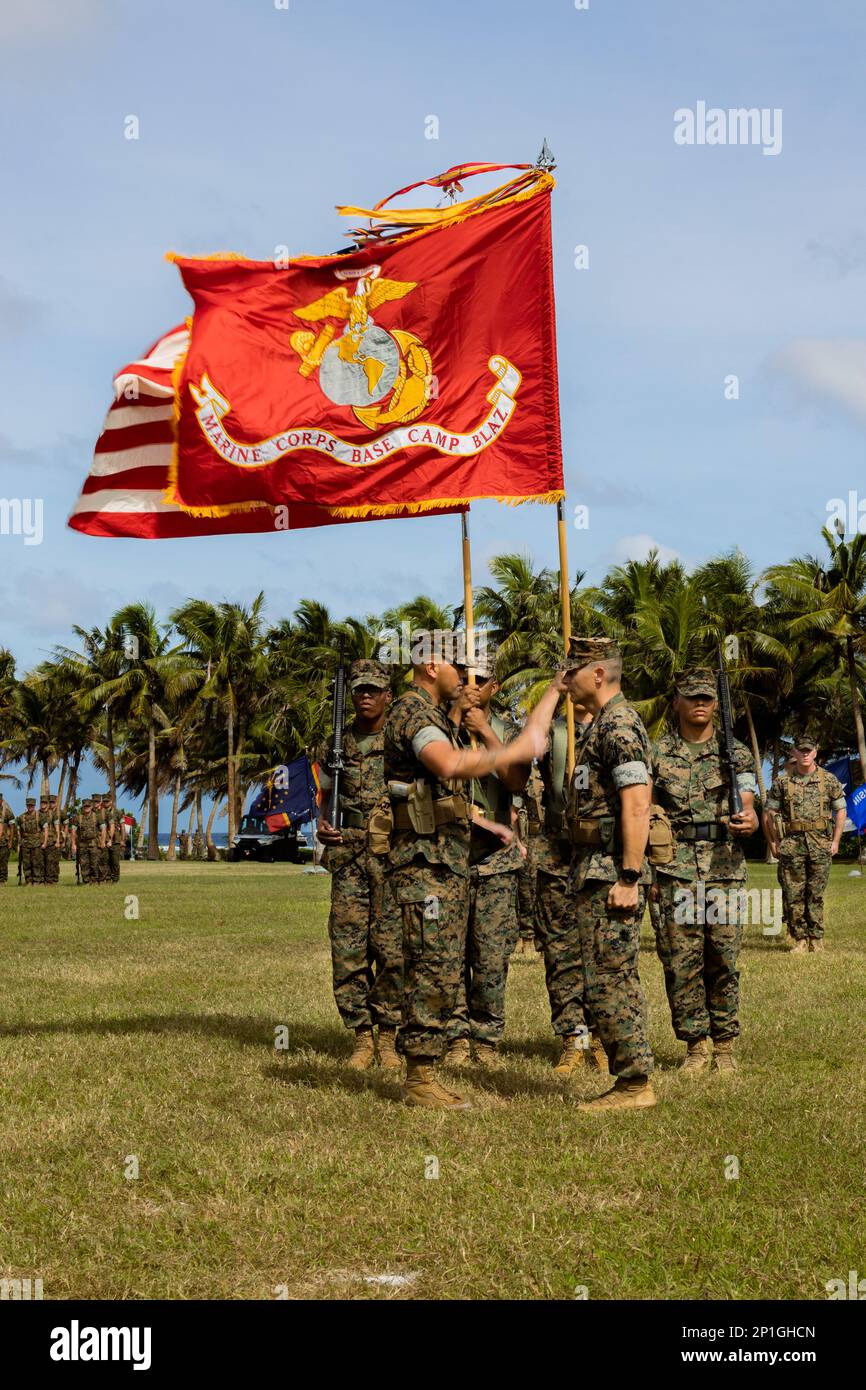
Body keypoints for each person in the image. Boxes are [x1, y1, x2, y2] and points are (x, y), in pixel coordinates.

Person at [383, 639, 559, 1109]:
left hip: (444, 863)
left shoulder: (437, 714)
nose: (464, 675)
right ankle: (420, 1076)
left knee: (441, 965)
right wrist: (509, 751)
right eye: (458, 666)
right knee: (433, 966)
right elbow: (446, 763)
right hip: (425, 867)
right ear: (432, 664)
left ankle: (427, 1070)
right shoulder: (413, 713)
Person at [562, 636, 656, 1113]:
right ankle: (631, 1079)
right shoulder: (601, 722)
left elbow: (637, 802)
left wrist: (629, 876)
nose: (565, 677)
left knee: (612, 977)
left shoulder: (618, 724)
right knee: (605, 975)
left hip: (609, 871)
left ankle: (635, 1084)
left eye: (572, 669)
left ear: (597, 674)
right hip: (593, 869)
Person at [651, 667, 759, 1073]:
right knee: (681, 961)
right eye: (692, 696)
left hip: (724, 868)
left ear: (716, 704)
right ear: (676, 701)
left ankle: (725, 1047)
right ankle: (695, 1045)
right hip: (674, 869)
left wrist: (748, 818)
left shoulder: (736, 753)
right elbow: (644, 809)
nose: (700, 704)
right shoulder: (657, 753)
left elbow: (746, 800)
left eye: (707, 698)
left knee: (724, 959)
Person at [317, 658, 404, 1072]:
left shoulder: (402, 741)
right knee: (348, 948)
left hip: (391, 855)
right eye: (359, 690)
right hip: (349, 853)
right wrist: (322, 824)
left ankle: (388, 1036)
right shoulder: (336, 746)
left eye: (373, 690)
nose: (365, 696)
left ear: (388, 695)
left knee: (391, 949)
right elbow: (325, 796)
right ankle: (362, 1037)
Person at [443, 651, 529, 1069]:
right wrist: (459, 722)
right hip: (451, 857)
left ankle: (487, 1038)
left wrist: (486, 735)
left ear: (494, 687)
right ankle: (456, 1037)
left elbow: (517, 780)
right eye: (463, 678)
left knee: (492, 956)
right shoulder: (441, 727)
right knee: (450, 953)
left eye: (479, 680)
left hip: (496, 862)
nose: (470, 686)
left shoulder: (508, 731)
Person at [534, 700, 609, 1075]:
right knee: (561, 953)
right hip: (556, 853)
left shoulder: (615, 728)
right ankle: (574, 1039)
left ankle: (602, 1039)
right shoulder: (552, 730)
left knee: (601, 952)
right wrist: (551, 699)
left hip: (598, 855)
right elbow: (525, 751)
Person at [763, 738, 847, 954]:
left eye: (809, 750)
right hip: (792, 845)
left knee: (816, 893)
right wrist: (776, 840)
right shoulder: (782, 783)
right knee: (794, 894)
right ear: (795, 753)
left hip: (820, 844)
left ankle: (816, 939)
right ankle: (800, 939)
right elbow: (770, 812)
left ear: (815, 752)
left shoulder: (829, 780)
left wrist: (836, 841)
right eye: (801, 751)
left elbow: (841, 810)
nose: (805, 754)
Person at [17, 796, 43, 886]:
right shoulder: (21, 817)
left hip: (36, 843)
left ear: (34, 805)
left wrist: (43, 841)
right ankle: (28, 880)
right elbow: (19, 831)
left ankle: (36, 881)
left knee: (36, 862)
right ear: (26, 805)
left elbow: (45, 829)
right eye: (28, 805)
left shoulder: (39, 816)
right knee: (26, 863)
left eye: (32, 805)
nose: (30, 807)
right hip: (25, 843)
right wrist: (19, 843)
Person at [43, 794, 63, 885]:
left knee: (54, 861)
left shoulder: (60, 812)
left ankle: (54, 878)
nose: (51, 804)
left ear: (56, 802)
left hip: (55, 840)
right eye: (50, 802)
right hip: (46, 839)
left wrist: (62, 837)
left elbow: (65, 825)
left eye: (53, 802)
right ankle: (47, 878)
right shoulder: (45, 813)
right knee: (46, 860)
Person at [0, 791, 14, 884]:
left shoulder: (7, 812)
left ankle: (2, 880)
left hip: (3, 841)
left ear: (1, 801)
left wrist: (10, 841)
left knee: (3, 860)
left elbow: (12, 828)